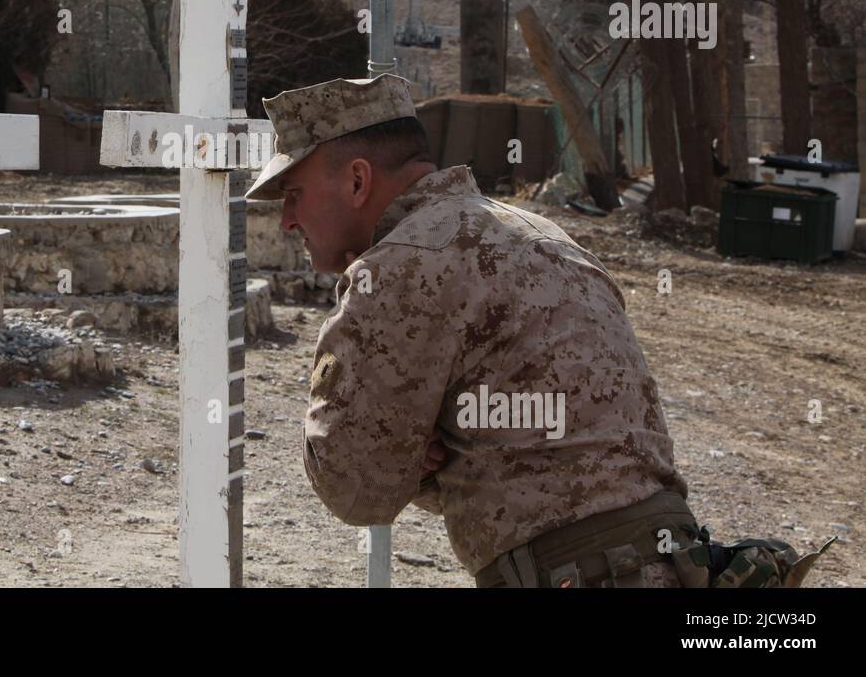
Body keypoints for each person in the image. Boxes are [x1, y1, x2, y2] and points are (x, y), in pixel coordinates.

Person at [245, 74, 697, 587]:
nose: (286, 219)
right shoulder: (543, 236)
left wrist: (409, 450)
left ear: (356, 180)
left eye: (294, 193)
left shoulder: (400, 266)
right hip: (673, 562)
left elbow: (354, 487)